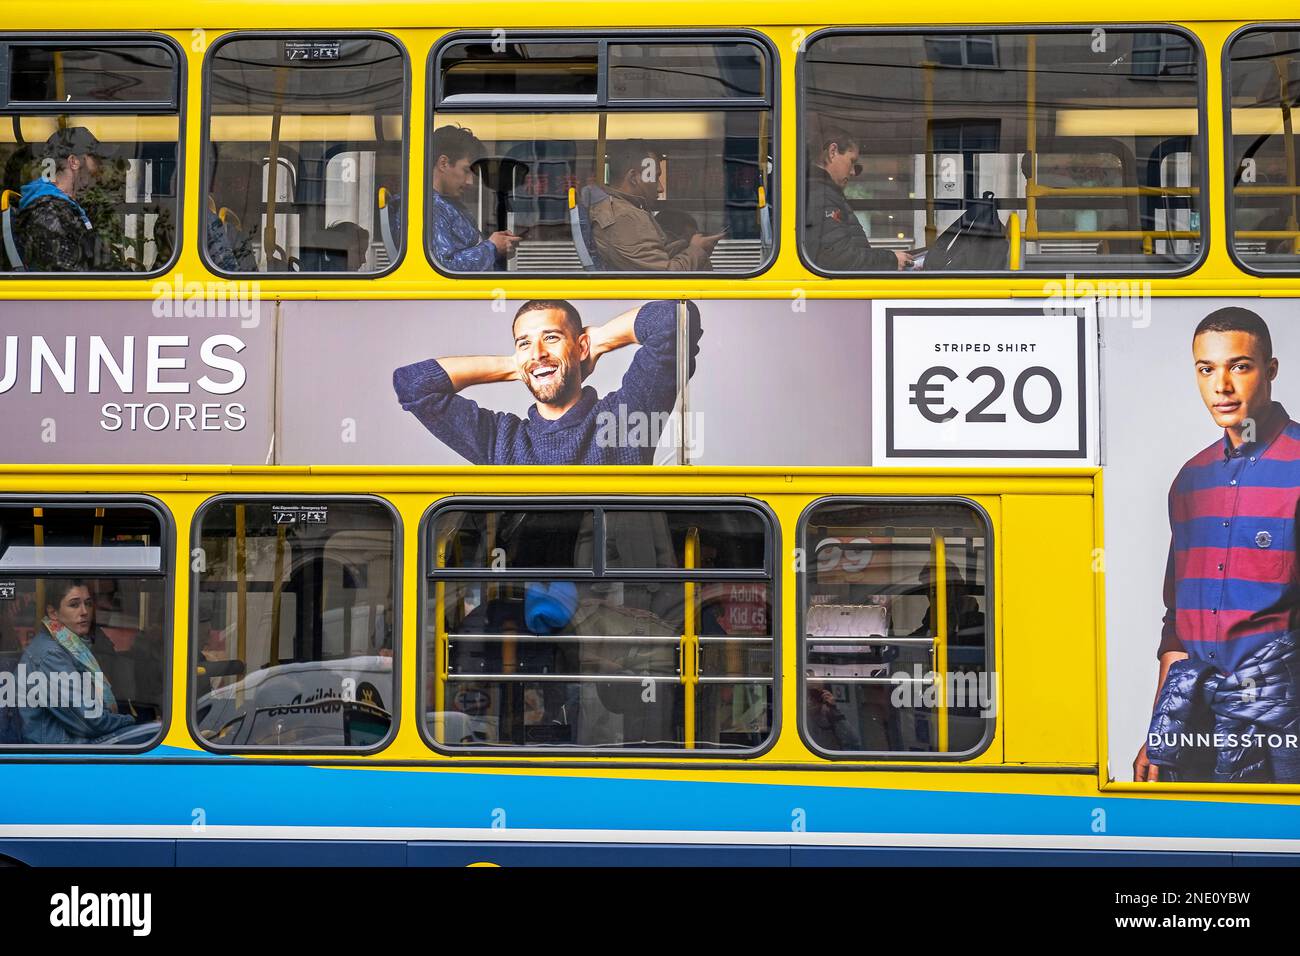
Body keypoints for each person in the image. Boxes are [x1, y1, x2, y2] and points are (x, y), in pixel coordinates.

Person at [1135, 308, 1300, 783]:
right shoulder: (1191, 479)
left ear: (1270, 370)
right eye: (1207, 369)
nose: (1221, 386)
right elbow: (1177, 625)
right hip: (1194, 729)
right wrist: (1158, 731)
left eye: (1239, 366)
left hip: (1283, 736)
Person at [392, 299, 701, 465]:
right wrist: (517, 366)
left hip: (611, 585)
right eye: (523, 343)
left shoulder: (626, 417)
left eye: (551, 338)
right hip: (522, 585)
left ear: (580, 347)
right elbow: (412, 384)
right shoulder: (500, 441)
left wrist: (600, 341)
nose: (538, 353)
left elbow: (674, 320)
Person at [18, 580, 136, 744]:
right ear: (53, 613)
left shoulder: (75, 646)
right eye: (74, 605)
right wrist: (130, 722)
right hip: (62, 753)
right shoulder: (50, 655)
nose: (84, 612)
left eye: (88, 604)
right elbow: (88, 721)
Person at [590, 140, 723, 272]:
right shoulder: (625, 218)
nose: (660, 188)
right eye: (655, 177)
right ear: (633, 178)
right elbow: (665, 277)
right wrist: (697, 250)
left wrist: (687, 245)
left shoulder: (624, 211)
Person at [804, 127, 911, 272]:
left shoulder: (823, 192)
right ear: (832, 152)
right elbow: (838, 257)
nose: (853, 172)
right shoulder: (821, 195)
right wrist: (892, 260)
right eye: (852, 161)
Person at [14, 127, 115, 272]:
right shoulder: (47, 214)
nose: (100, 168)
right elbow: (69, 277)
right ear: (74, 161)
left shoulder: (65, 208)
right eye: (96, 159)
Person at [429, 125, 520, 271]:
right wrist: (492, 247)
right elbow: (444, 268)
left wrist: (498, 249)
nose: (470, 181)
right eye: (466, 171)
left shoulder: (448, 204)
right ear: (443, 163)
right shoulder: (427, 208)